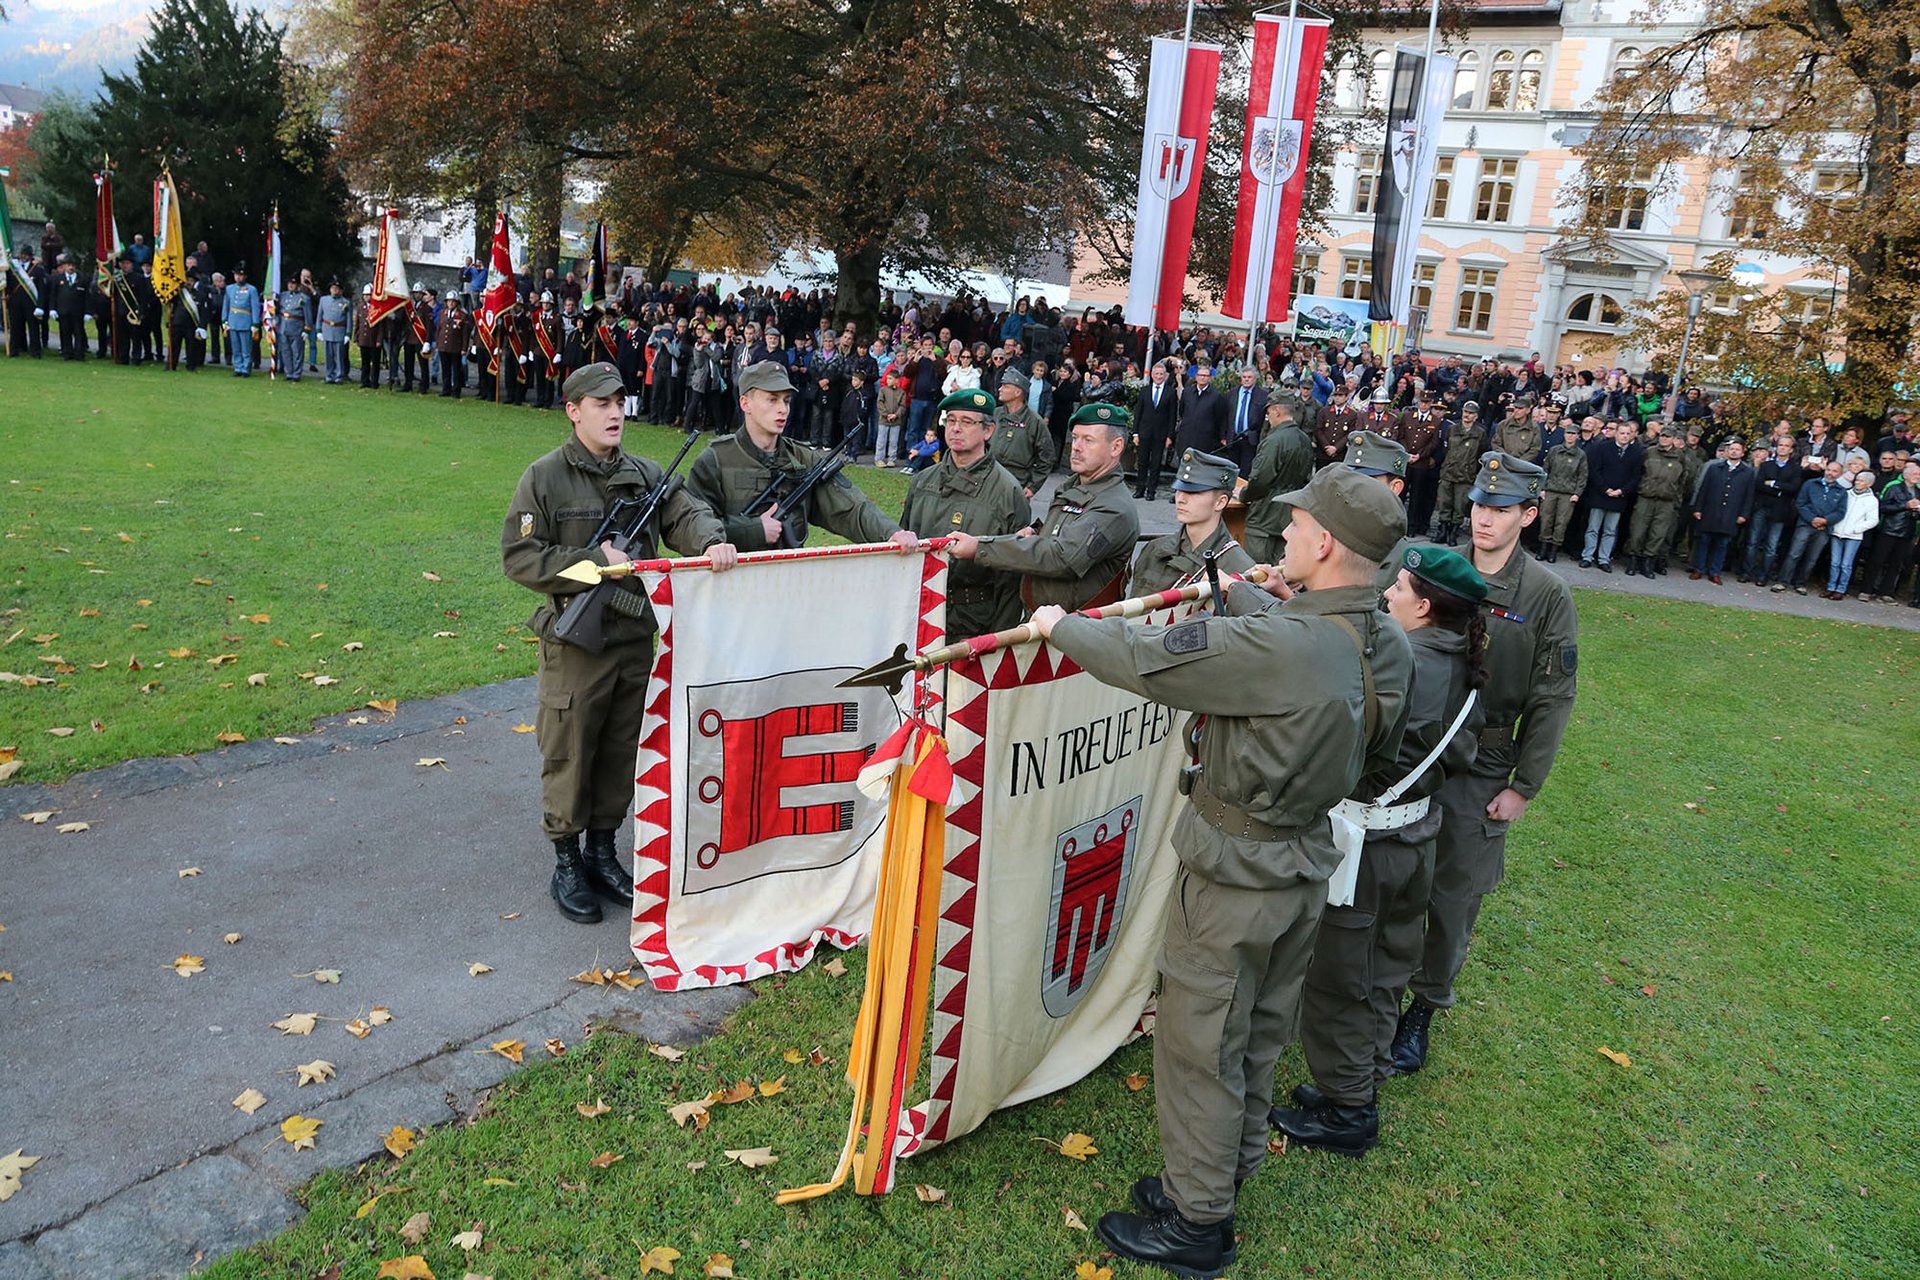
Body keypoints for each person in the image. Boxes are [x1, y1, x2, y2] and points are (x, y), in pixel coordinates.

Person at [1031, 464, 1413, 1278]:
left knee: (1201, 1043)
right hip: (1301, 864)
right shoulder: (1383, 641)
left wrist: (1062, 627)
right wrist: (1252, 600)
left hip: (1235, 873)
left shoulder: (1282, 646)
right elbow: (1350, 713)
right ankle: (1221, 1172)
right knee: (1257, 1033)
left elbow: (1146, 659)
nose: (1285, 534)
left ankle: (1198, 1220)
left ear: (1327, 544)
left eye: (1299, 525)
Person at [501, 362, 741, 923]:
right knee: (570, 751)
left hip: (634, 640)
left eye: (619, 403)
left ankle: (602, 852)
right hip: (576, 646)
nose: (615, 414)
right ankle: (567, 862)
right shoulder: (545, 477)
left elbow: (686, 514)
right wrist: (594, 562)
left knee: (619, 750)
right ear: (573, 410)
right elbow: (519, 557)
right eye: (601, 404)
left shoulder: (646, 473)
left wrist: (710, 541)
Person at [1272, 544, 1486, 1157]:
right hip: (1415, 835)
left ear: (1424, 607)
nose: (1388, 595)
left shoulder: (1408, 662)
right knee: (1386, 968)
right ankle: (1361, 1079)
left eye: (1399, 590)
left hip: (1369, 842)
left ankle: (1349, 1110)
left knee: (1342, 977)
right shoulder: (1460, 659)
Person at [1394, 452, 1578, 1075]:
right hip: (1414, 751)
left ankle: (1423, 1006)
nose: (1484, 519)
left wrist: (1525, 785)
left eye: (1501, 509)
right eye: (1479, 505)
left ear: (1528, 515)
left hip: (1482, 763)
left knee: (1453, 894)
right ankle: (1375, 984)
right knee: (1392, 877)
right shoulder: (1439, 570)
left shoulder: (1545, 594)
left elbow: (1553, 696)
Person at [685, 360, 916, 553]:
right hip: (733, 585)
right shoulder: (716, 460)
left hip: (791, 581)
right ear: (745, 403)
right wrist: (754, 530)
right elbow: (693, 527)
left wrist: (891, 533)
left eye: (786, 400)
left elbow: (851, 507)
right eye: (772, 399)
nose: (783, 409)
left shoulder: (803, 459)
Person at [948, 402, 1140, 611]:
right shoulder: (1075, 486)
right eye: (1075, 437)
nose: (1076, 447)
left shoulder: (1113, 506)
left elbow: (1061, 558)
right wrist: (1038, 532)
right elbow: (1065, 535)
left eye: (1088, 440)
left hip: (1077, 626)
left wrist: (980, 547)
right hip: (1046, 619)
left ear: (1116, 447)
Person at [899, 388, 1030, 640]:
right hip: (918, 613)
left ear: (988, 431)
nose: (956, 429)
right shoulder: (923, 481)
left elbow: (1012, 578)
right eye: (951, 420)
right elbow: (903, 550)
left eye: (967, 422)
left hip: (973, 624)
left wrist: (997, 642)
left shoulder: (1008, 491)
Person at [1129, 449, 1256, 595]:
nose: (1181, 499)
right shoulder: (1154, 550)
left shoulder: (1239, 568)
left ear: (1220, 502)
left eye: (1193, 492)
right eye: (1179, 490)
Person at [1239, 396, 1315, 564]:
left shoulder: (1273, 441)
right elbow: (1306, 478)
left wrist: (1244, 495)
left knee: (1256, 569)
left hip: (1265, 513)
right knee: (1281, 569)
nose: (1268, 418)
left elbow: (1260, 479)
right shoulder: (1304, 440)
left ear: (1277, 411)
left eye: (1269, 413)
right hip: (1290, 513)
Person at [1769, 460, 1848, 594]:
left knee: (1812, 558)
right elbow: (1800, 503)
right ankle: (1782, 581)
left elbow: (1840, 512)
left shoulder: (1842, 492)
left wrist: (1825, 521)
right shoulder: (1810, 484)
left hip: (1824, 528)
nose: (1830, 473)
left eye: (1835, 471)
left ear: (1840, 474)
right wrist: (1812, 519)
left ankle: (1801, 583)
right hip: (1805, 524)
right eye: (1829, 470)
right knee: (1794, 553)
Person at [1624, 424, 1688, 577]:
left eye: (1667, 436)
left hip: (1666, 500)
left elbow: (1683, 480)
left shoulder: (1680, 456)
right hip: (1646, 497)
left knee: (1658, 533)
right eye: (1662, 436)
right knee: (1638, 530)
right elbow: (1639, 472)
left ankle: (1648, 561)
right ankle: (1633, 559)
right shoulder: (1649, 452)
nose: (1663, 439)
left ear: (1674, 438)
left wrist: (1676, 497)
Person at [1688, 438, 1754, 584]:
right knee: (1704, 541)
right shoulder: (1714, 468)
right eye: (1731, 449)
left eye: (1737, 449)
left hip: (1731, 513)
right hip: (1710, 510)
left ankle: (1715, 572)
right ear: (1727, 451)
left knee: (1722, 544)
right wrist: (1698, 508)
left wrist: (1744, 514)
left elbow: (1749, 496)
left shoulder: (1748, 472)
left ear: (1743, 453)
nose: (1734, 452)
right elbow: (1704, 489)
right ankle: (1699, 569)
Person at [1579, 419, 1642, 571]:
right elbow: (1595, 471)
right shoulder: (1603, 447)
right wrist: (1605, 489)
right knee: (1593, 528)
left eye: (1628, 433)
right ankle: (1587, 556)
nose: (1625, 436)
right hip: (1600, 495)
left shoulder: (1637, 452)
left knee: (1610, 530)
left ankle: (1604, 559)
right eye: (1622, 433)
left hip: (1619, 497)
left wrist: (1621, 491)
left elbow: (1636, 477)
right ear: (1616, 434)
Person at [988, 374, 1056, 502]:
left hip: (1017, 482)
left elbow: (1047, 457)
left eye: (1005, 386)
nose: (1000, 389)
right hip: (990, 478)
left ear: (1018, 392)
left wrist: (1033, 486)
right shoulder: (995, 414)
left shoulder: (1034, 421)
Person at [1861, 461, 1920, 602]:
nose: (1917, 476)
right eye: (1915, 474)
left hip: (1907, 531)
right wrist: (1905, 505)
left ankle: (1886, 592)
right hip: (1889, 529)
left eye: (1919, 474)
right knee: (1877, 561)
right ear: (1906, 475)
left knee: (1896, 563)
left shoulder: (1918, 492)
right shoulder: (1894, 488)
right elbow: (1883, 507)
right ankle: (1866, 590)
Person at [1432, 401, 1486, 545]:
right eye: (1465, 412)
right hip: (1448, 471)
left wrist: (1473, 470)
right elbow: (1446, 449)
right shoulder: (1452, 429)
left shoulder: (1479, 433)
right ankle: (1443, 530)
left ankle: (1453, 532)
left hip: (1465, 475)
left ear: (1476, 416)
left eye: (1470, 413)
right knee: (1444, 502)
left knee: (1460, 505)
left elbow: (1481, 454)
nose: (1467, 415)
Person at [1824, 471, 1880, 599]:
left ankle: (1841, 589)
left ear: (1869, 484)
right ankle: (1830, 587)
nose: (1858, 483)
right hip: (1837, 532)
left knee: (1846, 564)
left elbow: (1873, 520)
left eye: (1862, 481)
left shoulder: (1872, 500)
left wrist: (1856, 529)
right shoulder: (1846, 494)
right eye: (1857, 480)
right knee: (1834, 562)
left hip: (1854, 536)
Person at [1536, 426, 1588, 562]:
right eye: (1568, 433)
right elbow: (1545, 470)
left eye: (1573, 434)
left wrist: (1577, 493)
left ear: (1577, 436)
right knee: (1546, 520)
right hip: (1550, 490)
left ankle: (1554, 550)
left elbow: (1582, 476)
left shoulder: (1580, 455)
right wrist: (1542, 489)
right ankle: (1543, 549)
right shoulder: (1554, 450)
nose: (1570, 436)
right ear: (1564, 435)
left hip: (1568, 493)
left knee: (1561, 523)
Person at [1132, 360, 1180, 500]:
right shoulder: (1144, 391)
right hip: (1144, 432)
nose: (1159, 376)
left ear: (1165, 375)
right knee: (1142, 462)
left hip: (1161, 434)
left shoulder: (1170, 392)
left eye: (1161, 374)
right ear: (1152, 375)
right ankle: (1139, 489)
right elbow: (1138, 413)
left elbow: (1172, 416)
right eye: (1156, 374)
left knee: (1156, 463)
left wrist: (1170, 436)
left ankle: (1151, 491)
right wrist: (1135, 433)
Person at [1223, 366, 1269, 478]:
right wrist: (1223, 436)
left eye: (1249, 377)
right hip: (1233, 438)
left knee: (1245, 472)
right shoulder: (1231, 394)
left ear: (1255, 379)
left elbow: (1265, 419)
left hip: (1250, 439)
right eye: (1244, 377)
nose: (1246, 379)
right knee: (1230, 470)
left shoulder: (1263, 395)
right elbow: (1225, 416)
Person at [221, 263, 262, 377]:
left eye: (241, 275)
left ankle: (246, 368)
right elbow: (226, 305)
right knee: (235, 347)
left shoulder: (251, 290)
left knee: (246, 348)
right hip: (233, 321)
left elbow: (255, 307)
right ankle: (238, 367)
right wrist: (224, 320)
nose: (238, 277)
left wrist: (255, 323)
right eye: (237, 275)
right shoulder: (229, 289)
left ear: (245, 276)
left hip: (245, 321)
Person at [436, 294, 473, 398]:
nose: (450, 303)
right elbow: (439, 329)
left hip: (455, 346)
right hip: (443, 345)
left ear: (456, 302)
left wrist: (464, 348)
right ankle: (446, 389)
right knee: (445, 369)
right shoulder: (442, 313)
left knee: (456, 370)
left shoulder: (462, 315)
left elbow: (465, 334)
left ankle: (456, 391)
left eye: (452, 301)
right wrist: (438, 344)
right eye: (448, 301)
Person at [276, 275, 311, 381]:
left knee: (297, 352)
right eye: (289, 283)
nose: (291, 285)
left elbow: (308, 315)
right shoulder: (282, 295)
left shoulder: (304, 298)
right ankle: (288, 372)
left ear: (298, 285)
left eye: (293, 283)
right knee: (285, 351)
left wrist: (307, 329)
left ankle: (296, 373)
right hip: (283, 326)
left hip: (296, 327)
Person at [317, 281, 350, 384]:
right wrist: (318, 330)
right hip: (327, 329)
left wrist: (348, 334)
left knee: (339, 356)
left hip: (339, 330)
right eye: (333, 288)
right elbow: (319, 315)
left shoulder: (345, 302)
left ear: (340, 290)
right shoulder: (323, 300)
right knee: (328, 355)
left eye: (337, 288)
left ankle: (339, 376)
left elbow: (349, 319)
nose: (334, 290)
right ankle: (329, 375)